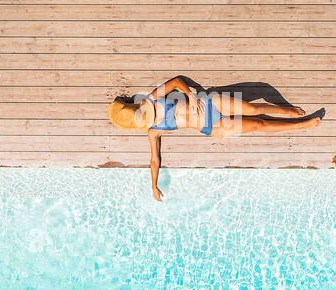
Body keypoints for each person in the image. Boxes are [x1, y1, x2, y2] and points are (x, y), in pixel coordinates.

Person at [107, 76, 323, 201]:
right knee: (258, 124)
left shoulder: (152, 98)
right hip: (210, 126)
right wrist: (153, 185)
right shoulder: (152, 131)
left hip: (209, 103)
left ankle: (288, 111)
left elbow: (175, 82)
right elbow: (155, 160)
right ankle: (302, 124)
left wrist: (191, 96)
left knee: (253, 108)